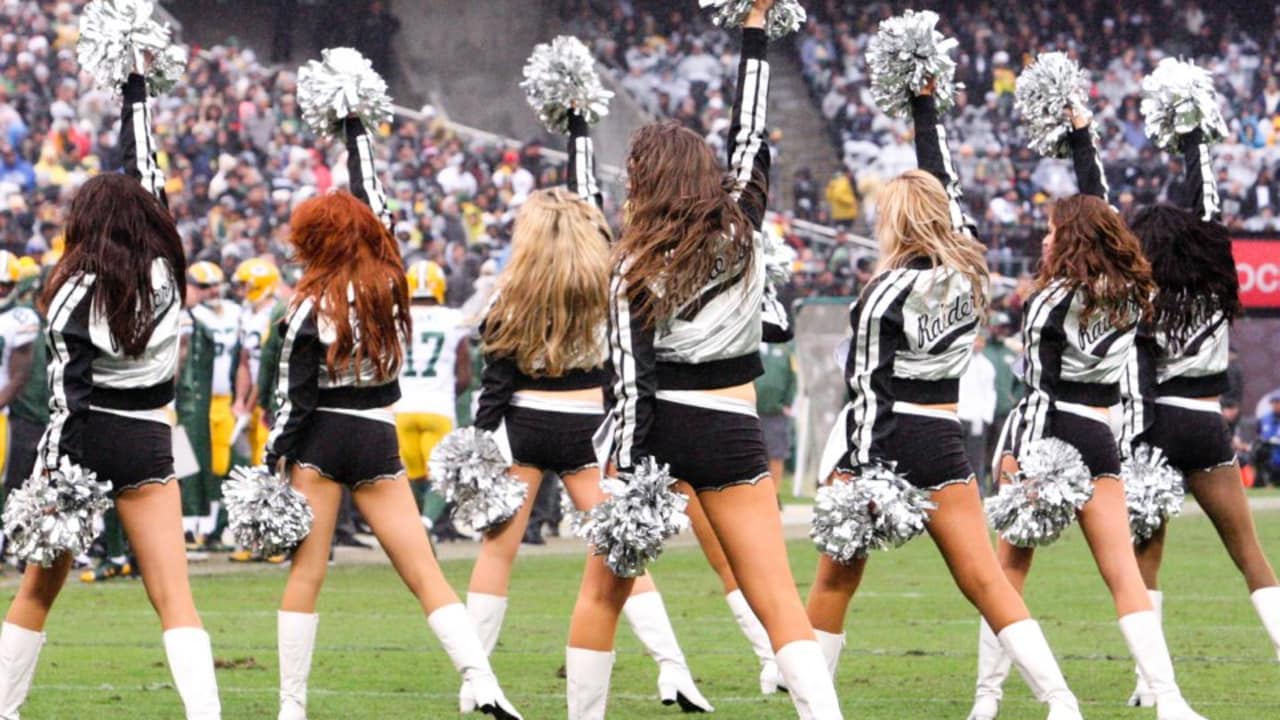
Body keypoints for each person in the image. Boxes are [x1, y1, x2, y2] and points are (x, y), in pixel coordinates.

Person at [806, 81, 1081, 719]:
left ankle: (817, 705)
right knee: (986, 580)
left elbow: (867, 390)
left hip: (886, 435)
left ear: (895, 222)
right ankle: (1060, 700)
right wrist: (926, 109)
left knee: (836, 578)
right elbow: (947, 183)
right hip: (943, 434)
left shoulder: (882, 293)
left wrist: (860, 471)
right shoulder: (969, 273)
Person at [599, 3, 842, 716]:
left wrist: (626, 466)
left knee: (603, 593)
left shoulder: (635, 259)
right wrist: (754, 35)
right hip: (733, 426)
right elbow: (749, 135)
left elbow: (635, 377)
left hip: (662, 424)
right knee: (778, 598)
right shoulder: (740, 227)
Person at [266, 114, 520, 720]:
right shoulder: (391, 284)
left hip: (320, 439)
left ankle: (291, 706)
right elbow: (377, 213)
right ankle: (483, 681)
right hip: (378, 433)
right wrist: (357, 135)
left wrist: (274, 456)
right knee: (426, 573)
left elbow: (294, 401)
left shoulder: (305, 307)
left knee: (306, 577)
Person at [466, 108, 711, 713]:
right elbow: (621, 367)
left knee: (497, 553)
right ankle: (674, 669)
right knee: (621, 552)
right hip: (590, 429)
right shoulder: (610, 284)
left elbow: (495, 382)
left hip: (524, 424)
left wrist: (479, 441)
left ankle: (476, 679)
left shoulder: (510, 292)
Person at [968, 106, 1207, 720]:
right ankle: (1170, 700)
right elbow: (1103, 211)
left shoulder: (1049, 299)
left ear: (1071, 240)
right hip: (1099, 434)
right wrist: (1081, 139)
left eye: (1053, 232)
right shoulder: (1133, 292)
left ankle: (988, 699)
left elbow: (1039, 391)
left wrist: (1016, 459)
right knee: (1123, 574)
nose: (1045, 240)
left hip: (1047, 434)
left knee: (1005, 574)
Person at [0, 70, 221, 719]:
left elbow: (66, 395)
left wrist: (50, 478)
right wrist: (137, 96)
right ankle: (206, 714)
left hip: (87, 436)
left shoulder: (74, 287)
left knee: (36, 592)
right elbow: (146, 175)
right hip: (149, 436)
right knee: (175, 597)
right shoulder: (167, 271)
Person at [1122, 128, 1280, 705]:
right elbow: (1208, 213)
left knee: (1146, 557)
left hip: (1156, 428)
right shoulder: (1215, 288)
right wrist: (1194, 143)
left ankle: (1149, 681)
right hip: (1207, 424)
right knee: (1250, 554)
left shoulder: (1142, 297)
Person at [395, 259, 469, 520]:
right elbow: (464, 376)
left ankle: (414, 526)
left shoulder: (395, 318)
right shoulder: (453, 319)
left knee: (412, 474)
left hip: (402, 408)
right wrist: (446, 393)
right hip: (438, 407)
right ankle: (426, 524)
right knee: (441, 475)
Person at [755, 339, 796, 497]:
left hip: (775, 413)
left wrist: (787, 403)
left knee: (776, 455)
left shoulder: (785, 349)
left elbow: (793, 377)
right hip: (750, 411)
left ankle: (773, 496)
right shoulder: (750, 345)